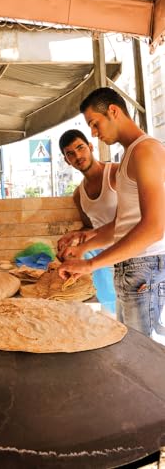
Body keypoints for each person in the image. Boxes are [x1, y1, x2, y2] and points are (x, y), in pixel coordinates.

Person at [58, 87, 165, 344]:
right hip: (133, 268)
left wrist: (92, 264)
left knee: (146, 360)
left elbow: (154, 227)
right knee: (132, 354)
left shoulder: (146, 150)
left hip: (146, 268)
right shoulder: (130, 155)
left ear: (113, 112)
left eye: (94, 124)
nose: (94, 133)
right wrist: (85, 249)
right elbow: (121, 224)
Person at [57, 129, 118, 314]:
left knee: (136, 326)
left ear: (90, 147)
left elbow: (129, 220)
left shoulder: (116, 174)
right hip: (102, 260)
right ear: (67, 160)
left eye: (80, 148)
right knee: (110, 315)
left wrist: (83, 246)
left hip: (131, 254)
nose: (77, 156)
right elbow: (90, 227)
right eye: (70, 154)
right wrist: (74, 236)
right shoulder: (79, 195)